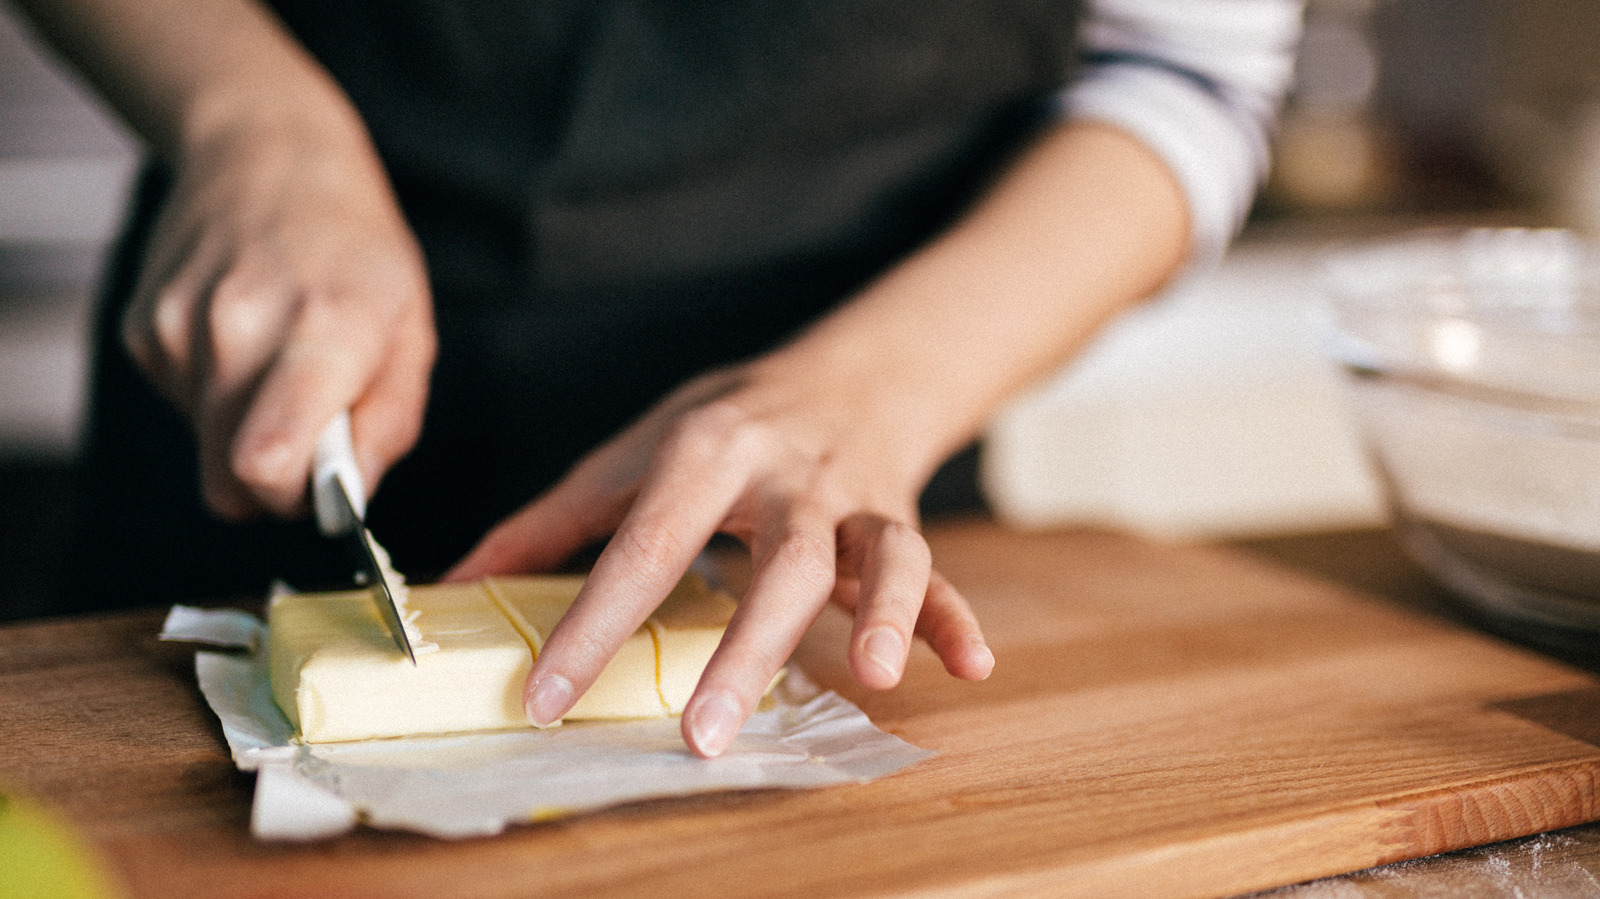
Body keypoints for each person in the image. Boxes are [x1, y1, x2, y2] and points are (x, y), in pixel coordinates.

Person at [18, 0, 1303, 757]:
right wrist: (249, 119)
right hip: (265, 374)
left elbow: (1183, 76)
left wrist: (871, 393)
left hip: (843, 482)